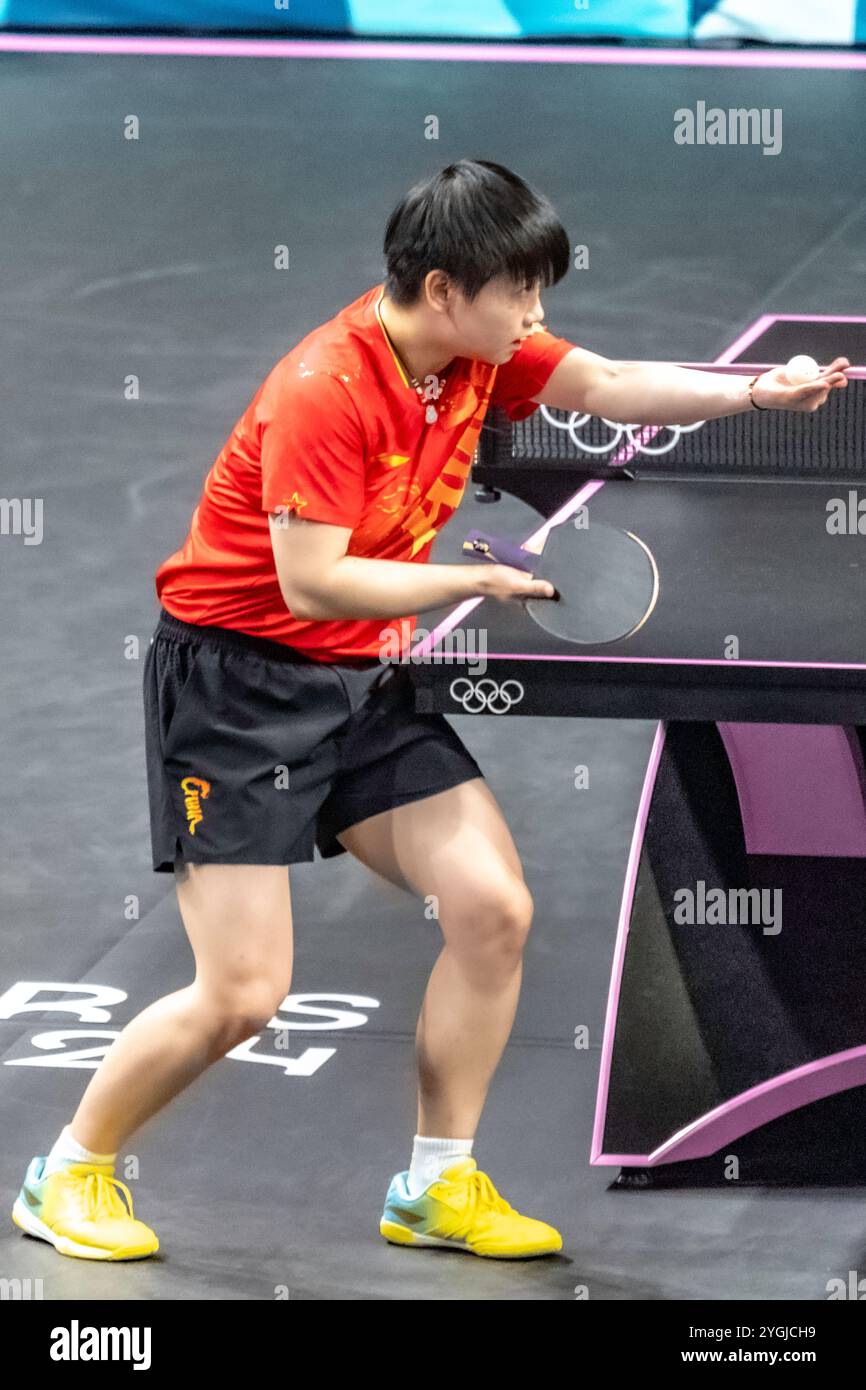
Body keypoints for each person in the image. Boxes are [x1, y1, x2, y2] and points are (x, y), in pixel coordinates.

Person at [12, 159, 848, 1264]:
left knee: (492, 908)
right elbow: (313, 583)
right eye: (521, 292)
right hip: (236, 690)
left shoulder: (471, 356)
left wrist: (754, 395)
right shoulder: (326, 389)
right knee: (244, 992)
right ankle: (68, 1171)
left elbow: (603, 384)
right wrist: (475, 581)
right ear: (445, 289)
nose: (536, 315)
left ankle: (435, 1185)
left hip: (362, 682)